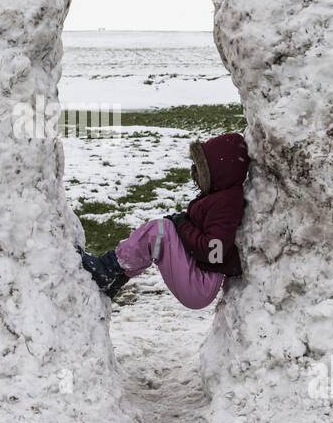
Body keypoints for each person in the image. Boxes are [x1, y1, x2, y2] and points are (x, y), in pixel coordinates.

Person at [77, 132, 250, 309]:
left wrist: (181, 225)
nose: (195, 173)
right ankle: (115, 276)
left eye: (201, 169)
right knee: (163, 231)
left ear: (219, 170)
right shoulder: (220, 196)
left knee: (160, 231)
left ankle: (109, 269)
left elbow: (213, 251)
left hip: (202, 284)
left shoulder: (226, 203)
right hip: (201, 276)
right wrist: (181, 225)